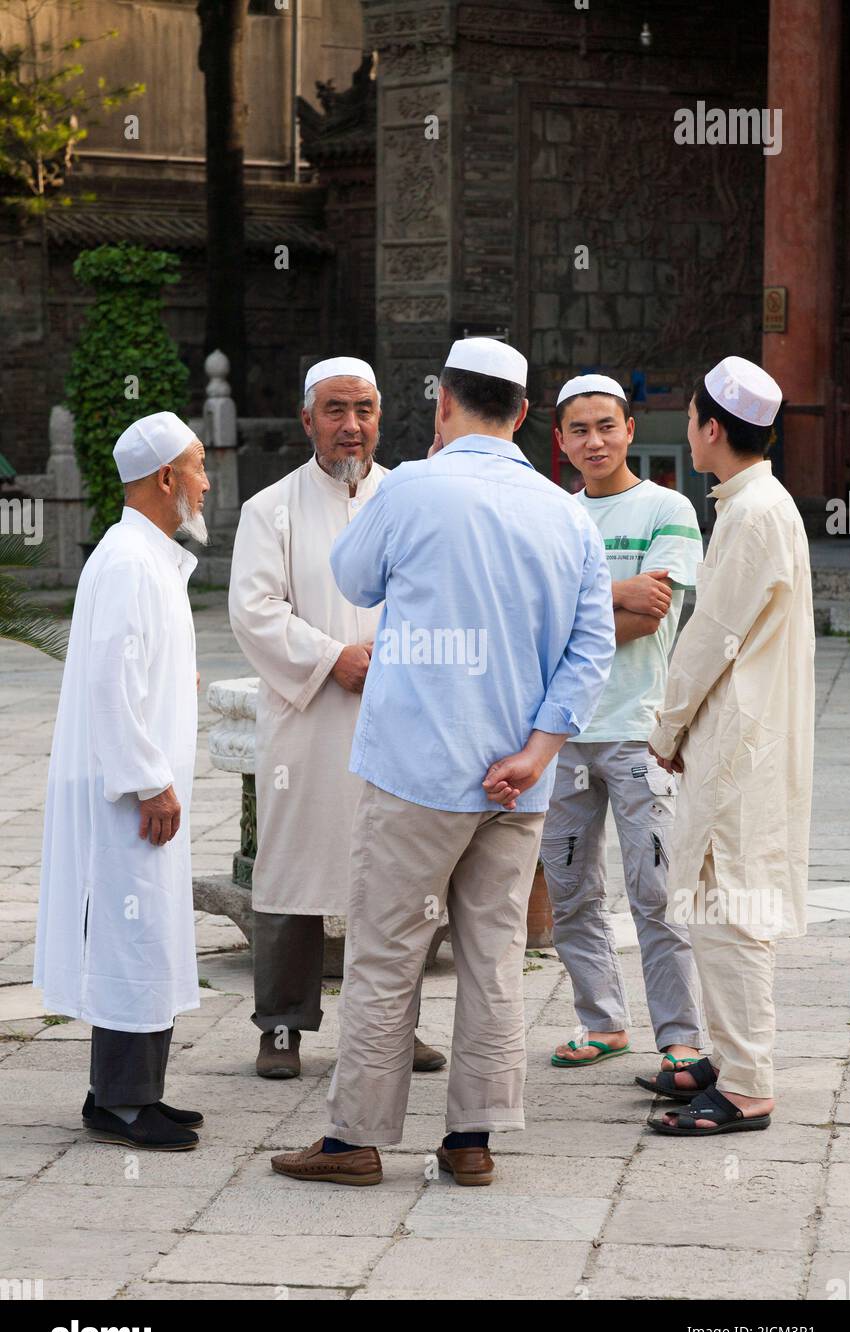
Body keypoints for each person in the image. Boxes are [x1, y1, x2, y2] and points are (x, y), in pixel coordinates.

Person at [270, 336, 616, 1188]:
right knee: (493, 958)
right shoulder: (566, 510)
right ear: (526, 414)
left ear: (443, 404)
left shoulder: (413, 488)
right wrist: (538, 749)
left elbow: (352, 580)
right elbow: (591, 646)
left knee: (387, 954)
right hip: (517, 779)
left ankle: (356, 1139)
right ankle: (472, 1141)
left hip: (418, 773)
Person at [228, 356, 445, 1080]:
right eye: (335, 411)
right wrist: (332, 660)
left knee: (401, 877)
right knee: (293, 875)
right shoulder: (271, 510)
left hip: (401, 721)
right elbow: (254, 615)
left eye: (364, 411)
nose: (351, 427)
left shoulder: (414, 499)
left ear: (381, 416)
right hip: (310, 720)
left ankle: (394, 1028)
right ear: (307, 419)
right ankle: (282, 1028)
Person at [640, 355, 815, 1135]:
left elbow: (710, 636)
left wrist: (667, 725)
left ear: (711, 428)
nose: (687, 428)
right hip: (747, 729)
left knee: (727, 903)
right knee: (723, 898)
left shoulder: (752, 514)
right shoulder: (756, 502)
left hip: (738, 735)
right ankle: (733, 1054)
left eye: (689, 417)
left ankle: (747, 1084)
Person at [34, 412, 210, 1151]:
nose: (206, 481)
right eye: (199, 467)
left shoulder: (148, 555)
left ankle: (131, 1092)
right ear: (166, 477)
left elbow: (141, 670)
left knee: (149, 933)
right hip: (131, 796)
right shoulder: (131, 561)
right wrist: (148, 781)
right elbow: (111, 680)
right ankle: (123, 1102)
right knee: (131, 936)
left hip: (144, 788)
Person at [542, 374, 706, 1077]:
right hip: (564, 730)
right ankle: (602, 1021)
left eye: (606, 425)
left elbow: (649, 620)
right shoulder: (554, 515)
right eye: (579, 430)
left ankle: (680, 1035)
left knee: (655, 887)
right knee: (571, 886)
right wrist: (611, 592)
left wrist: (571, 606)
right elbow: (535, 620)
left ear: (630, 430)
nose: (594, 441)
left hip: (639, 730)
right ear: (560, 441)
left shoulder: (668, 509)